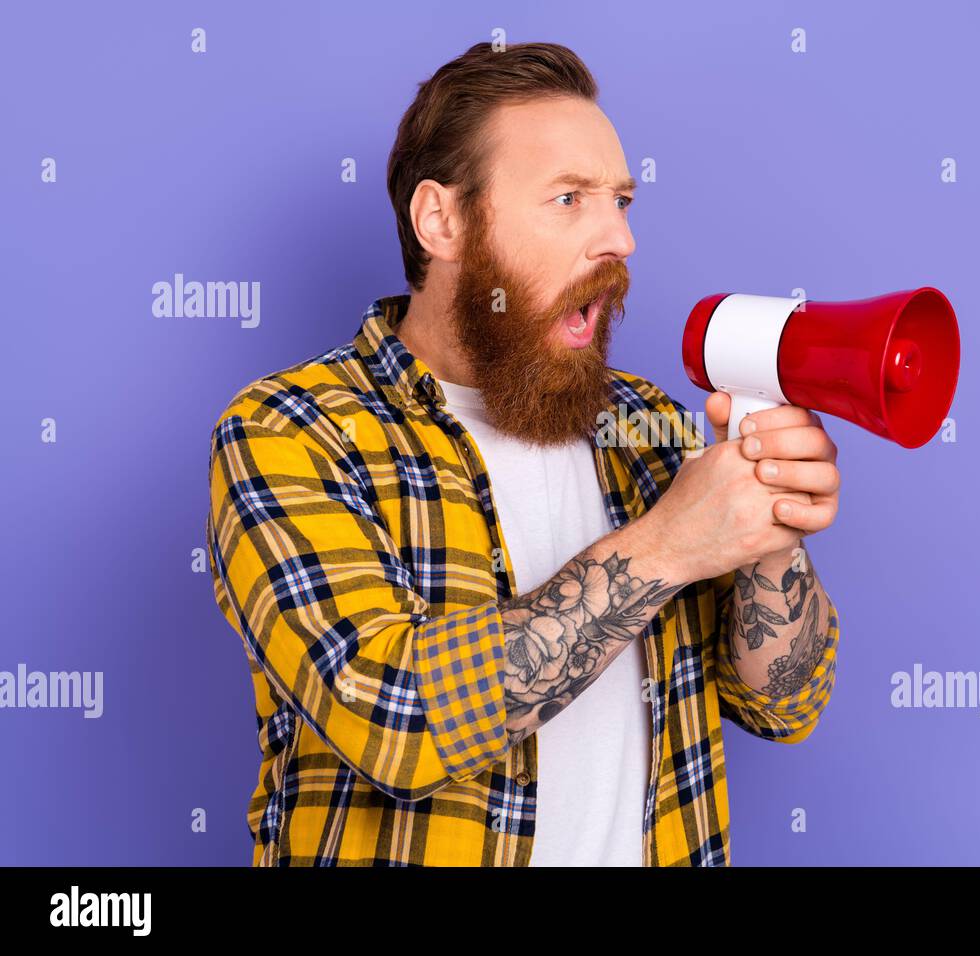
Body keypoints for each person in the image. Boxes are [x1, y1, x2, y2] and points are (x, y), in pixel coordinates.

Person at [206, 40, 841, 867]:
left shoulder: (653, 431)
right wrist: (673, 542)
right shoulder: (291, 430)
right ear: (443, 220)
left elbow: (783, 706)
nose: (619, 238)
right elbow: (395, 722)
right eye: (569, 198)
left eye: (621, 200)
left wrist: (768, 536)